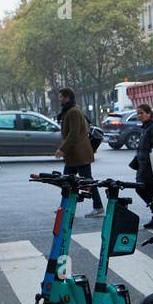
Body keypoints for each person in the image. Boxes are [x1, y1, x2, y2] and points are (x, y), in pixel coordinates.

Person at [55, 87, 102, 217]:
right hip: (75, 154)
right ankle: (66, 207)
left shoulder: (73, 111)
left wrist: (62, 149)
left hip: (79, 153)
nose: (59, 99)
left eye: (61, 97)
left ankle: (97, 206)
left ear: (67, 98)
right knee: (68, 182)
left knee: (86, 181)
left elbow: (73, 133)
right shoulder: (70, 110)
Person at [132, 104, 153, 226]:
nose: (139, 115)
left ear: (148, 113)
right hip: (144, 165)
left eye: (141, 113)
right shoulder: (146, 127)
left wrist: (150, 157)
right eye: (138, 113)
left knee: (150, 191)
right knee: (142, 189)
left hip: (151, 166)